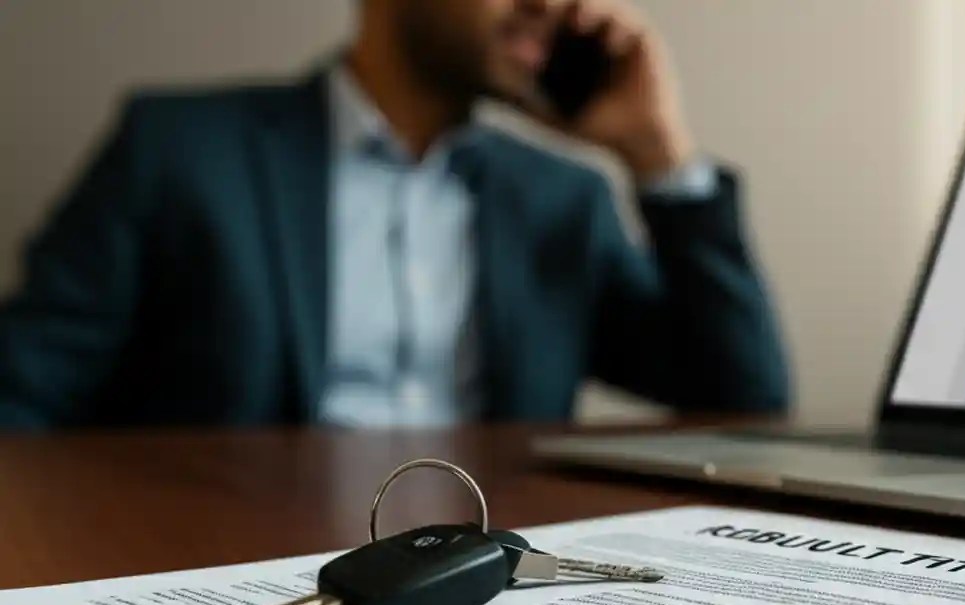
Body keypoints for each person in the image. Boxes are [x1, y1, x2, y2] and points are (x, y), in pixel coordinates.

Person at [0, 0, 789, 430]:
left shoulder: (561, 202)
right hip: (212, 575)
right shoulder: (176, 149)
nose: (549, 5)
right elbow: (22, 395)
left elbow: (742, 400)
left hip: (477, 594)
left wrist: (657, 153)